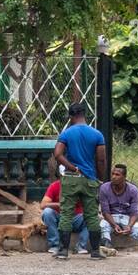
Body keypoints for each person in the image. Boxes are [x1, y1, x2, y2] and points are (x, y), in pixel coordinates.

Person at [52, 103, 107, 261]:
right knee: (91, 215)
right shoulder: (97, 134)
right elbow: (101, 159)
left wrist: (72, 167)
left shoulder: (67, 133)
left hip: (71, 179)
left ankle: (63, 251)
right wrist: (100, 178)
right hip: (90, 179)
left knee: (66, 214)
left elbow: (57, 154)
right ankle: (95, 251)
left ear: (71, 116)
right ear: (84, 114)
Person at [40, 178, 95, 256]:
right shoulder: (55, 186)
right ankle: (55, 245)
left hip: (76, 218)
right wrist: (60, 205)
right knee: (47, 212)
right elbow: (43, 205)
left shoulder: (81, 186)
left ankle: (81, 246)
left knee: (92, 217)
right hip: (60, 218)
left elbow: (89, 205)